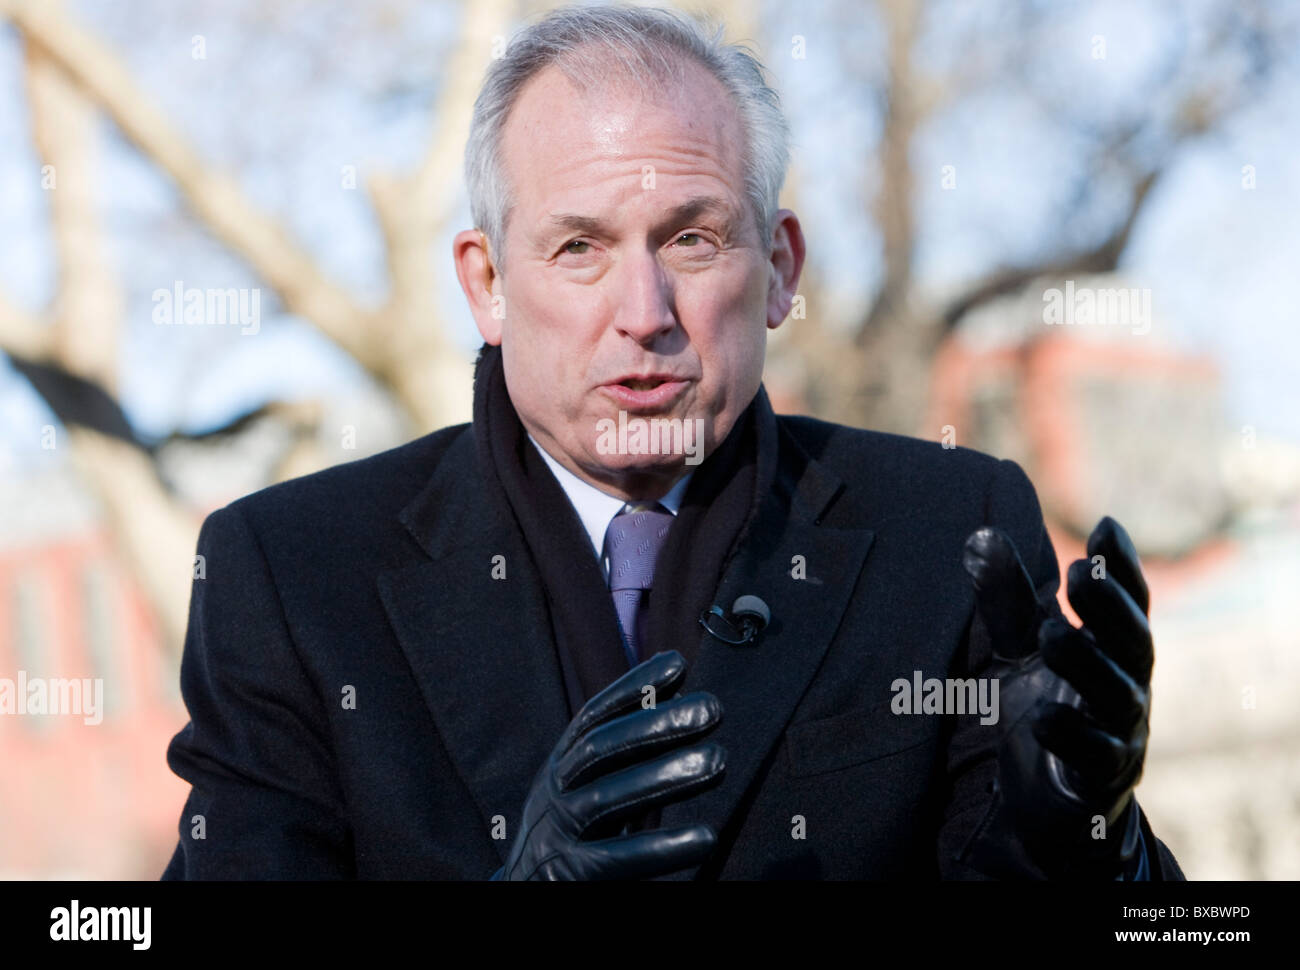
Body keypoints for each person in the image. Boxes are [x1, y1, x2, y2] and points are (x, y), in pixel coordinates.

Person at [162, 4, 1183, 881]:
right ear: (487, 284)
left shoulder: (950, 533)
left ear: (779, 266)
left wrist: (1091, 838)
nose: (643, 311)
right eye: (579, 247)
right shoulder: (293, 577)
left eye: (692, 238)